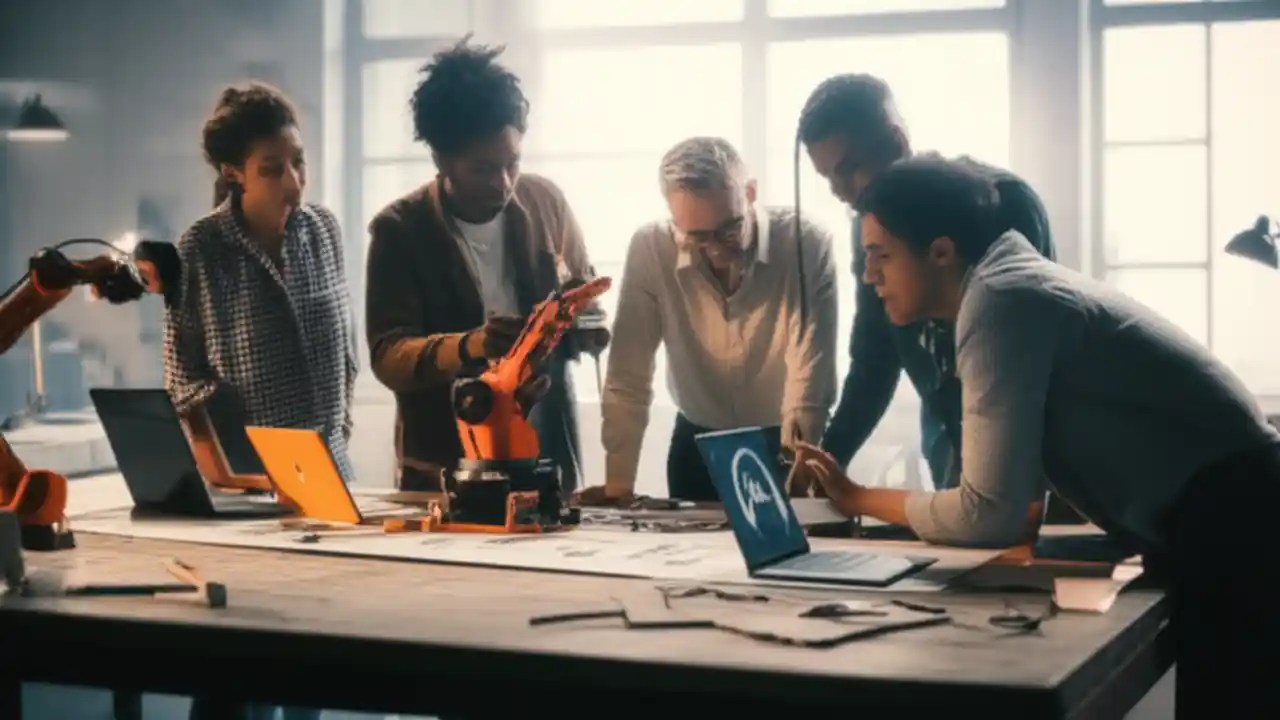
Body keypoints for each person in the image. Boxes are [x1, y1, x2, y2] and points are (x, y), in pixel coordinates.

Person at [791, 156, 1280, 718]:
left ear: (941, 252)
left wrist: (857, 499)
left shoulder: (1000, 301)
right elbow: (1018, 508)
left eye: (880, 255)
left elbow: (990, 515)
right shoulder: (1010, 283)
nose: (867, 275)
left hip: (1240, 517)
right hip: (1232, 507)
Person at [165, 82, 350, 719]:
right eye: (273, 169)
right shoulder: (200, 247)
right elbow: (183, 375)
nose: (293, 181)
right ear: (234, 173)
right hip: (249, 491)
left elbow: (343, 350)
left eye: (298, 161)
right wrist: (219, 474)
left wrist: (341, 432)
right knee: (237, 675)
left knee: (317, 669)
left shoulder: (323, 231)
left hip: (331, 486)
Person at [795, 73, 1058, 501]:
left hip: (1033, 441)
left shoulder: (1000, 203)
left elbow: (1021, 360)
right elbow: (874, 362)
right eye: (827, 178)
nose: (841, 193)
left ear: (896, 143)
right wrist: (824, 464)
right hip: (949, 438)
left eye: (848, 170)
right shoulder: (869, 225)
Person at [365, 36, 605, 494]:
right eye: (482, 169)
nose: (503, 183)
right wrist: (471, 345)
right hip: (445, 466)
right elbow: (388, 356)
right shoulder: (399, 230)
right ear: (440, 159)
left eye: (512, 162)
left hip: (543, 452)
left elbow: (581, 286)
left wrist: (586, 328)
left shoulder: (545, 201)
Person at [575, 136, 837, 505]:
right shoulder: (651, 248)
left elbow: (810, 371)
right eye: (696, 236)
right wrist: (619, 487)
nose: (716, 249)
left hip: (782, 443)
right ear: (672, 216)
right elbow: (627, 377)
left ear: (749, 192)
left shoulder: (804, 243)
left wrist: (801, 469)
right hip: (696, 444)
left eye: (729, 228)